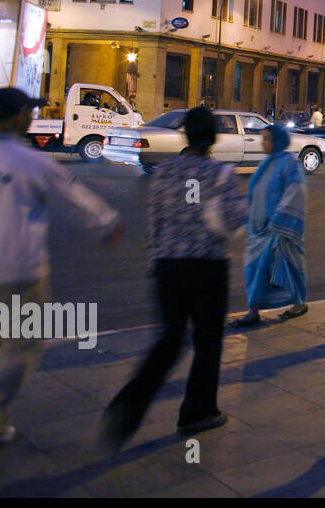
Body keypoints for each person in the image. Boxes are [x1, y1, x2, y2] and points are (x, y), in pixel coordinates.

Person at [101, 107, 244, 452]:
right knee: (208, 342)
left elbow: (154, 221)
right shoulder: (221, 174)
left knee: (169, 339)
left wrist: (155, 261)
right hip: (207, 268)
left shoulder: (164, 172)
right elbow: (232, 223)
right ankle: (197, 411)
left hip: (168, 267)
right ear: (213, 138)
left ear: (185, 135)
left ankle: (129, 402)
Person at [0, 88, 123, 448]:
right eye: (28, 113)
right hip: (19, 271)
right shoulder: (30, 161)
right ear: (19, 116)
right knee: (23, 347)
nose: (32, 118)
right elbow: (74, 197)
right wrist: (107, 222)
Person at [229, 124, 308, 328]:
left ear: (278, 141)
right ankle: (254, 309)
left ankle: (297, 303)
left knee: (289, 268)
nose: (263, 143)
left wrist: (277, 219)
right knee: (254, 269)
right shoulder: (267, 164)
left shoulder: (290, 164)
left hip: (278, 230)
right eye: (262, 139)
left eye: (267, 139)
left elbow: (296, 193)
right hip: (258, 231)